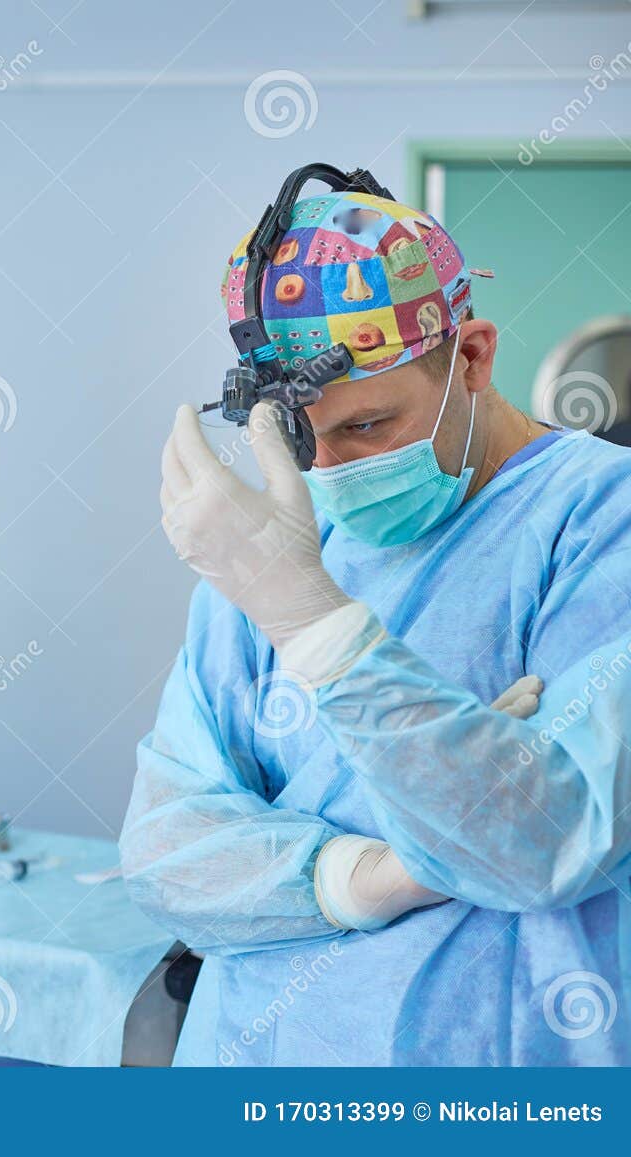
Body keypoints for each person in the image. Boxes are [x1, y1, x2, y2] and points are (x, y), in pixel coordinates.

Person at [122, 181, 631, 1065]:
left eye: (368, 424)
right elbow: (169, 850)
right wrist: (379, 875)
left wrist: (316, 625)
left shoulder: (599, 522)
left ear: (473, 356)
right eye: (300, 438)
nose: (330, 470)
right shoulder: (273, 546)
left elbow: (546, 839)